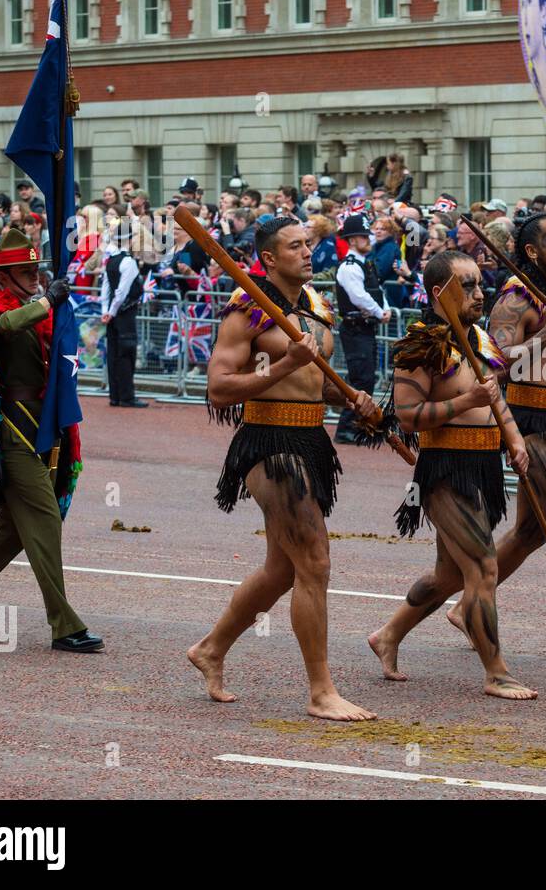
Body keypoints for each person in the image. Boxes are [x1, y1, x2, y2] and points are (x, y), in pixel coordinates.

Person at [373, 216, 546, 678]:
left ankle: (426, 621)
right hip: (533, 420)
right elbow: (498, 366)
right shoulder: (514, 298)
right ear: (532, 251)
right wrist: (545, 336)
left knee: (529, 535)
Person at [190, 216, 380, 721]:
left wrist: (352, 399)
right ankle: (321, 692)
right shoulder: (247, 309)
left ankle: (210, 649)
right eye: (295, 246)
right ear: (269, 258)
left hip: (312, 441)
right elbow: (219, 387)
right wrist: (281, 366)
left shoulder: (317, 307)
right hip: (269, 443)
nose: (307, 252)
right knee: (314, 563)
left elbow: (319, 382)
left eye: (309, 243)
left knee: (281, 569)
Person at [374, 250, 538, 699]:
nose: (478, 293)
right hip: (444, 471)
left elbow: (494, 396)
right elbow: (407, 417)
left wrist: (514, 438)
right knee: (484, 567)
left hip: (483, 469)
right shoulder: (419, 347)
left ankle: (387, 636)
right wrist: (465, 404)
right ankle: (496, 671)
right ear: (436, 293)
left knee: (449, 574)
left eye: (479, 284)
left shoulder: (479, 339)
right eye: (466, 286)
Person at [0, 227, 102, 653]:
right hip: (8, 435)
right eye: (24, 270)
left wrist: (53, 304)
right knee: (45, 519)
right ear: (4, 275)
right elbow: (5, 327)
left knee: (14, 529)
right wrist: (49, 300)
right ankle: (64, 624)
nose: (34, 275)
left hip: (41, 427)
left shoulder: (33, 307)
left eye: (36, 268)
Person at [333, 215, 391, 444]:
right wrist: (379, 312)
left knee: (365, 379)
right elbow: (359, 296)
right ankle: (345, 428)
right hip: (355, 327)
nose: (369, 239)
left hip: (365, 328)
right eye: (364, 236)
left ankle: (357, 425)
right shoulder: (349, 267)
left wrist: (383, 310)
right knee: (361, 379)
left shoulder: (364, 263)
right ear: (353, 239)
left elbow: (376, 290)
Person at [100, 218, 147, 408]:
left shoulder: (111, 260)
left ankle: (115, 396)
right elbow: (121, 291)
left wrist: (106, 311)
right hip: (124, 314)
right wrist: (111, 311)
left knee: (114, 354)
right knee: (126, 354)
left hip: (113, 314)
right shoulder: (128, 262)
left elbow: (105, 288)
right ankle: (126, 396)